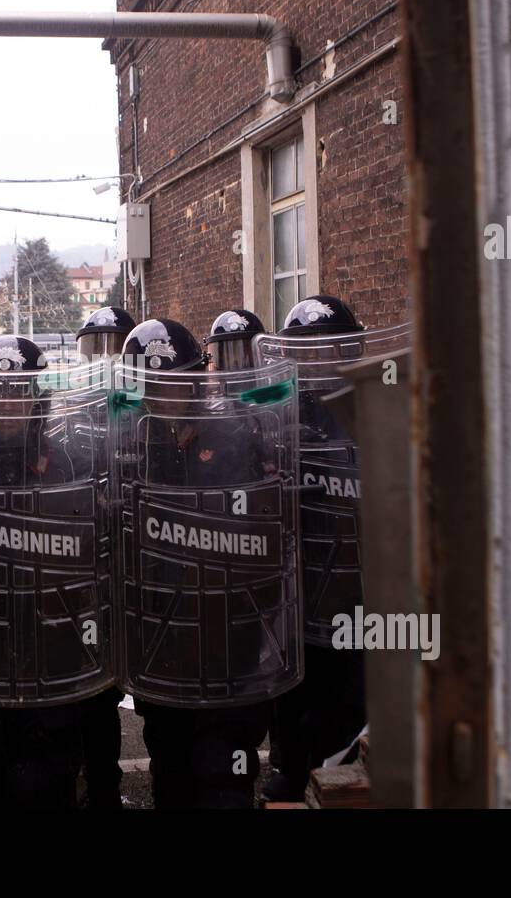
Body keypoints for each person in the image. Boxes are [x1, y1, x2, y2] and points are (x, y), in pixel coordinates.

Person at [118, 318, 293, 808]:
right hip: (160, 635)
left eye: (174, 384)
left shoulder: (238, 435)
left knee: (222, 770)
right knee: (170, 767)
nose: (164, 397)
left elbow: (265, 536)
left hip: (227, 630)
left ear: (197, 378)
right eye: (153, 386)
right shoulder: (129, 444)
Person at [0, 335, 108, 808]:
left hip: (50, 655)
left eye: (19, 393)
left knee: (40, 786)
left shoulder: (70, 463)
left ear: (38, 399)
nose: (7, 407)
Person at [262, 295, 370, 802]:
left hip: (356, 595)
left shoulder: (371, 414)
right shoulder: (276, 418)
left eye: (327, 349)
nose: (316, 362)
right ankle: (288, 769)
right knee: (292, 697)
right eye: (305, 352)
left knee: (346, 707)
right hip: (296, 589)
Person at [69, 306, 137, 808]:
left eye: (116, 345)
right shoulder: (69, 424)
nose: (107, 359)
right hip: (82, 575)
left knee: (105, 695)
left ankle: (106, 789)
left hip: (127, 574)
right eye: (97, 347)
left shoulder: (149, 415)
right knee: (82, 690)